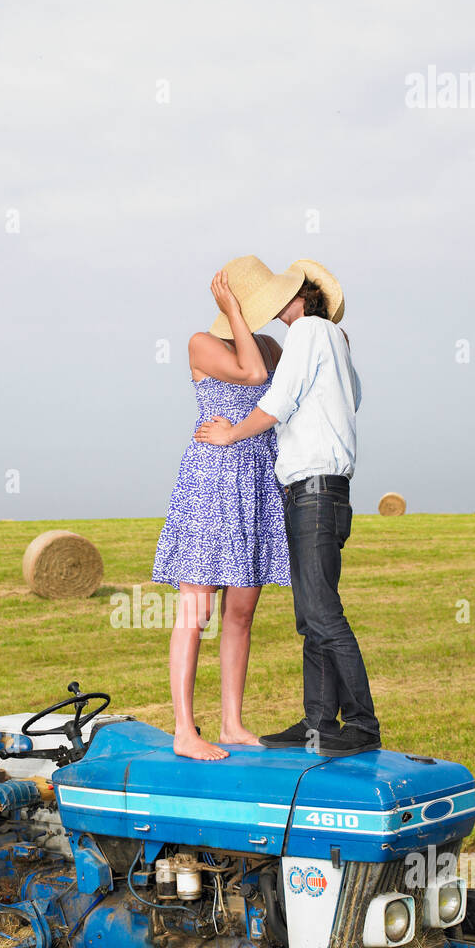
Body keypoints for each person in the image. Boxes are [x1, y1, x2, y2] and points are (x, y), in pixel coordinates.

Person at [194, 258, 381, 756]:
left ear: (301, 294)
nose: (274, 312)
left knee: (322, 614)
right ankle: (318, 721)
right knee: (311, 615)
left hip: (313, 491)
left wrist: (230, 432)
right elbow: (353, 397)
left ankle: (361, 724)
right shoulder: (334, 340)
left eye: (279, 300)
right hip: (327, 491)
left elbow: (279, 397)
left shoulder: (308, 333)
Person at [152, 256, 300, 760]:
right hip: (213, 479)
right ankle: (184, 731)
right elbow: (254, 373)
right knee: (196, 609)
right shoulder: (202, 343)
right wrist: (233, 312)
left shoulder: (272, 345)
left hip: (258, 479)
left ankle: (232, 723)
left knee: (241, 611)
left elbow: (287, 390)